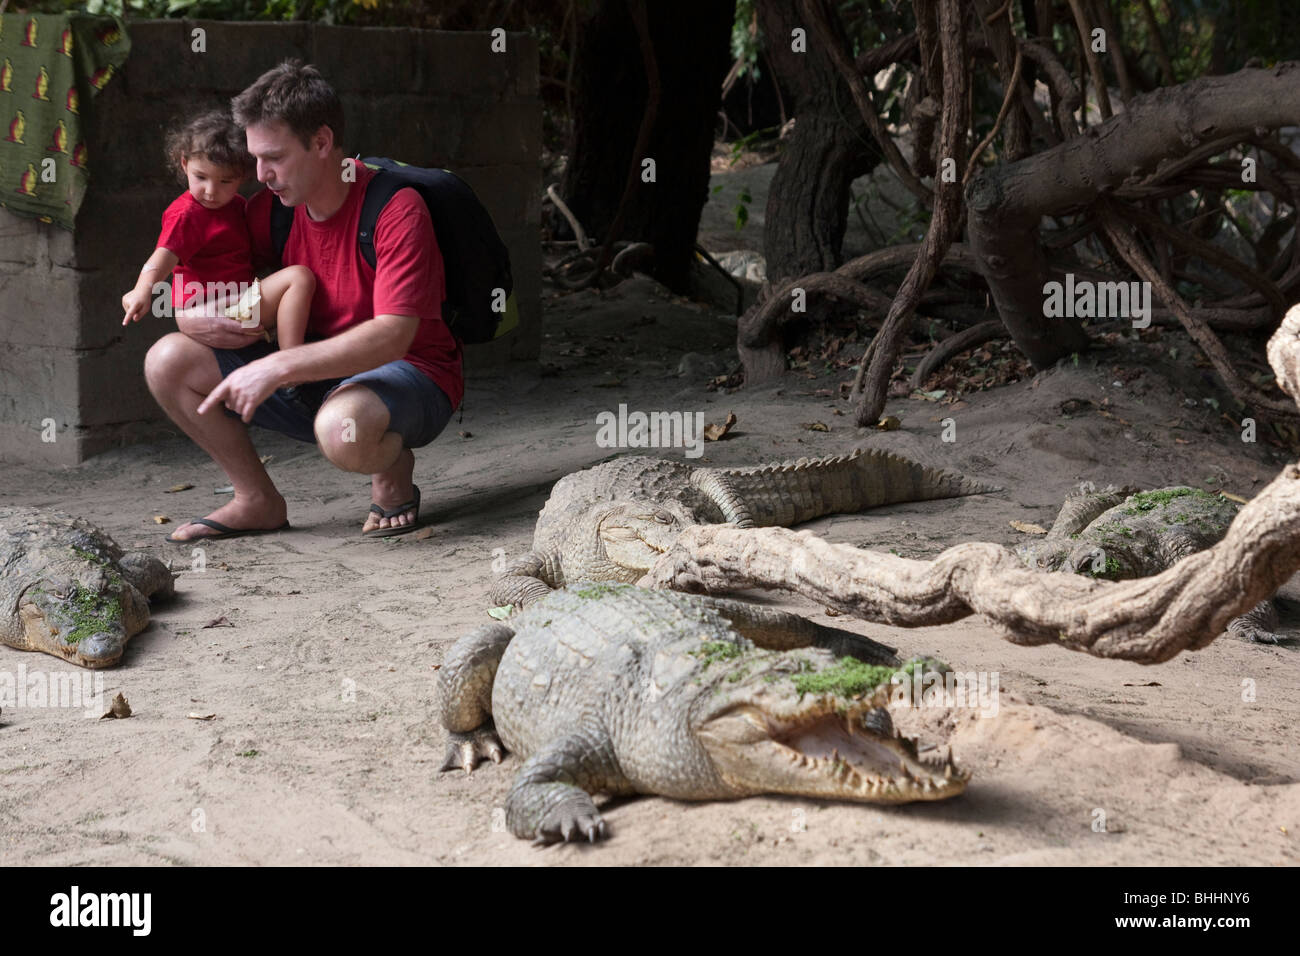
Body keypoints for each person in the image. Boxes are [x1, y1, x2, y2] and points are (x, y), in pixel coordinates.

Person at [143, 61, 461, 542]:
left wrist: (278, 366)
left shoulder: (395, 208)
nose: (259, 174)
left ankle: (393, 463)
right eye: (254, 158)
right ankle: (256, 500)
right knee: (167, 360)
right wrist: (193, 314)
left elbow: (395, 335)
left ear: (321, 142)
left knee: (343, 431)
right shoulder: (269, 211)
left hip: (409, 371)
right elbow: (224, 282)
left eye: (273, 157)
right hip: (312, 374)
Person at [122, 110, 316, 353]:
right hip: (209, 307)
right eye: (201, 177)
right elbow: (163, 256)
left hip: (235, 303)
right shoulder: (186, 214)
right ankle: (291, 368)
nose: (211, 191)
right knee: (299, 278)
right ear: (185, 164)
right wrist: (142, 290)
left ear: (243, 176)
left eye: (225, 181)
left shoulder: (237, 207)